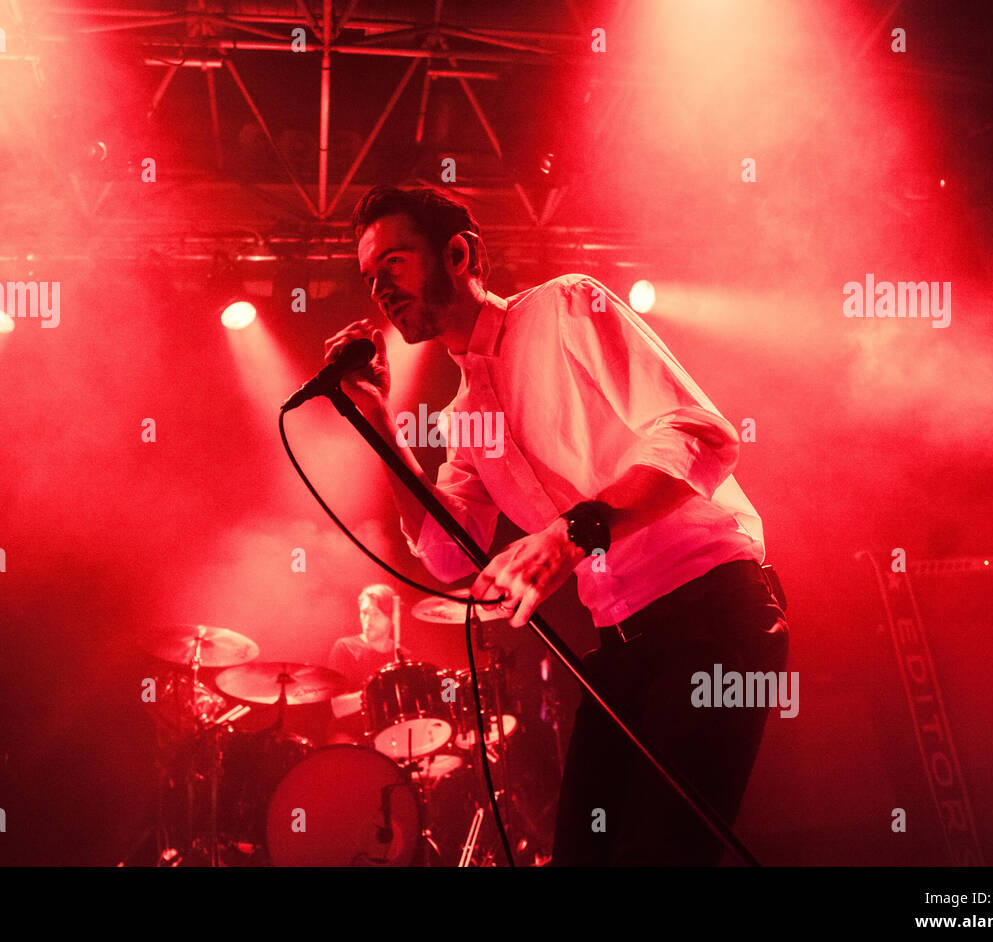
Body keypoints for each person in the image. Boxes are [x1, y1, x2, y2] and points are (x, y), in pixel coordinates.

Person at [323, 184, 789, 865]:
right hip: (622, 647)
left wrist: (577, 530)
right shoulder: (463, 417)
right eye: (369, 277)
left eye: (394, 262)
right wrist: (378, 423)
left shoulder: (567, 306)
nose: (380, 288)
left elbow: (701, 433)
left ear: (458, 253)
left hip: (710, 613)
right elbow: (450, 556)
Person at [326, 584, 399, 743]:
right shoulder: (345, 647)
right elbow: (338, 708)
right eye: (364, 612)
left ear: (392, 618)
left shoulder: (401, 655)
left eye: (376, 614)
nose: (368, 620)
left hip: (389, 737)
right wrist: (376, 692)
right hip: (350, 735)